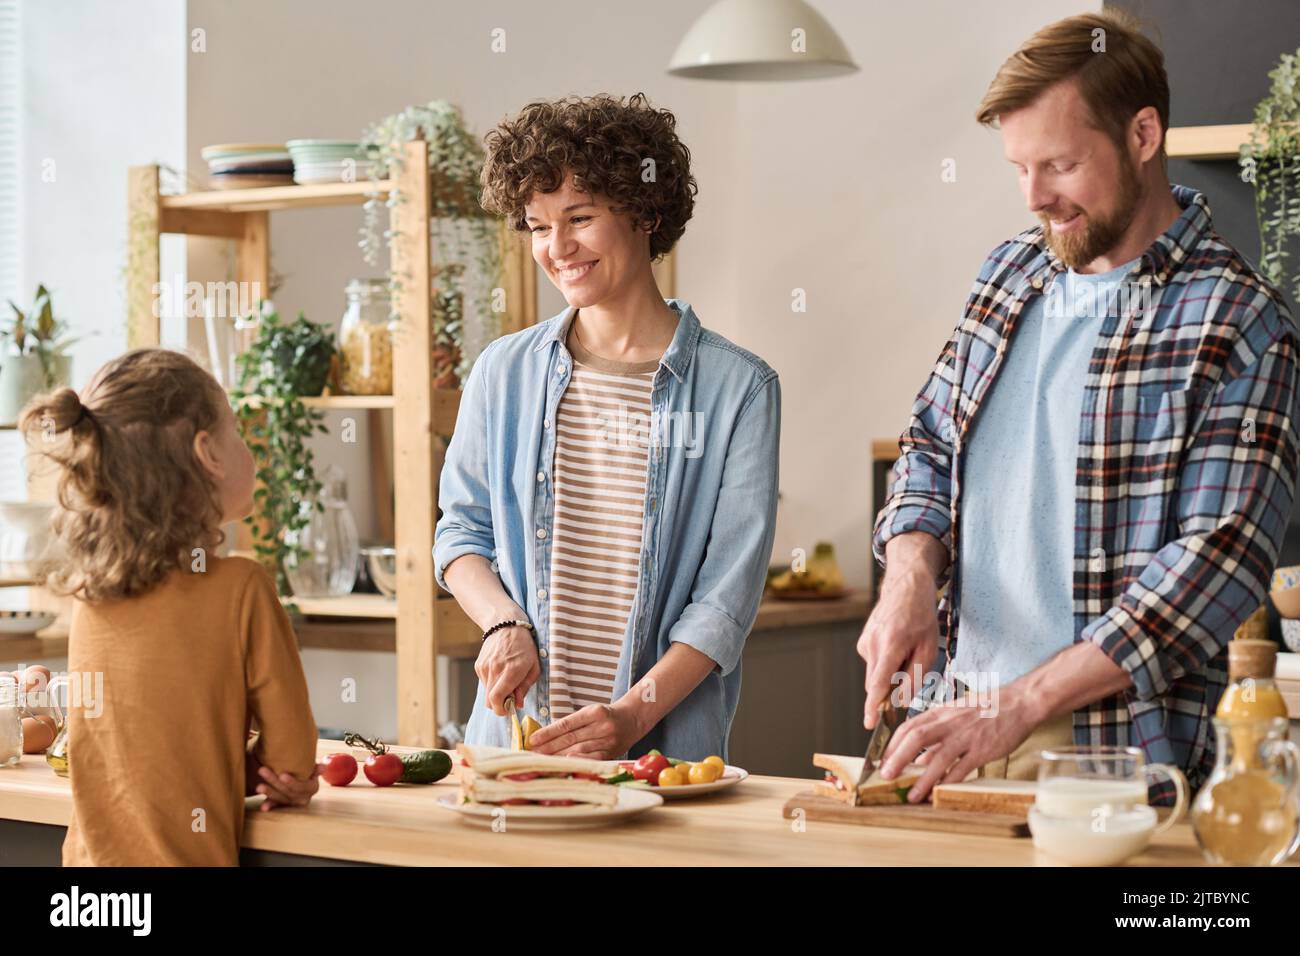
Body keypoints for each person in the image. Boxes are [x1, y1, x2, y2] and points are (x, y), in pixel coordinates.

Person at [863, 11, 1300, 802]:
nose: (1036, 197)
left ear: (1142, 135)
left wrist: (1023, 703)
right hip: (946, 720)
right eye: (1018, 167)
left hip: (1102, 754)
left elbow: (1219, 560)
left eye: (1060, 164)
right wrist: (909, 575)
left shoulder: (1238, 320)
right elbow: (929, 443)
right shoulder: (1008, 274)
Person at [435, 93, 781, 761]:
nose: (557, 248)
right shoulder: (502, 372)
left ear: (646, 213)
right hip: (514, 750)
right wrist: (502, 622)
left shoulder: (739, 388)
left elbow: (724, 602)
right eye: (537, 226)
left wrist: (627, 718)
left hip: (656, 757)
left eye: (580, 218)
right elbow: (460, 533)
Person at [20, 349, 321, 865]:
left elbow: (145, 746)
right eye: (238, 432)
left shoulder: (91, 595)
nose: (249, 449)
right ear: (208, 453)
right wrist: (272, 775)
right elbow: (290, 762)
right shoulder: (242, 587)